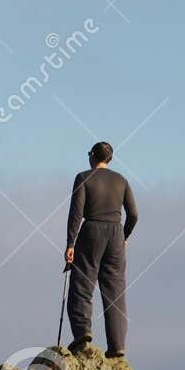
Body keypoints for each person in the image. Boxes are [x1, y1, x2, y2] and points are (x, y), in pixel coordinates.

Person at [64, 141, 137, 358]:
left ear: (93, 156)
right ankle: (117, 347)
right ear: (110, 159)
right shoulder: (121, 180)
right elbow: (133, 214)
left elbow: (76, 214)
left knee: (82, 284)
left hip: (91, 230)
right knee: (115, 291)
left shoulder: (83, 177)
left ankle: (82, 333)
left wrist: (70, 243)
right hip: (116, 233)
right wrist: (124, 236)